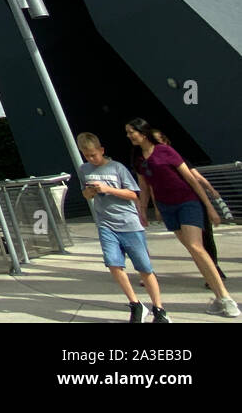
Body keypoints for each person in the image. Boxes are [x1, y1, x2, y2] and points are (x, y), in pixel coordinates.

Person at [126, 118, 238, 318]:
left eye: (131, 132)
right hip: (167, 207)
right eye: (127, 133)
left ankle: (226, 298)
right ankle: (218, 297)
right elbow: (144, 187)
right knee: (193, 251)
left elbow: (190, 179)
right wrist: (142, 210)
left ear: (143, 132)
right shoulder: (138, 158)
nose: (129, 136)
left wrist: (209, 207)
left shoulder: (165, 151)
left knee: (196, 247)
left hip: (187, 202)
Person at [77, 132, 169, 323]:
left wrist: (108, 189)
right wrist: (90, 192)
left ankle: (159, 309)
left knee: (144, 267)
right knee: (113, 263)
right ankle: (135, 304)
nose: (91, 158)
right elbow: (86, 195)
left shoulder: (117, 168)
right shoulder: (84, 170)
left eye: (94, 154)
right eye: (87, 155)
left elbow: (134, 194)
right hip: (106, 224)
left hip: (128, 223)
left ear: (101, 150)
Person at [149, 130, 227, 280]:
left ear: (166, 141)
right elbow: (152, 186)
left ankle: (214, 269)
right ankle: (211, 273)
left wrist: (211, 190)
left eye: (158, 141)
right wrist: (158, 208)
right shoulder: (150, 162)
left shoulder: (177, 158)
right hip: (170, 204)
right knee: (192, 243)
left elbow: (195, 177)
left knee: (204, 238)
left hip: (192, 201)